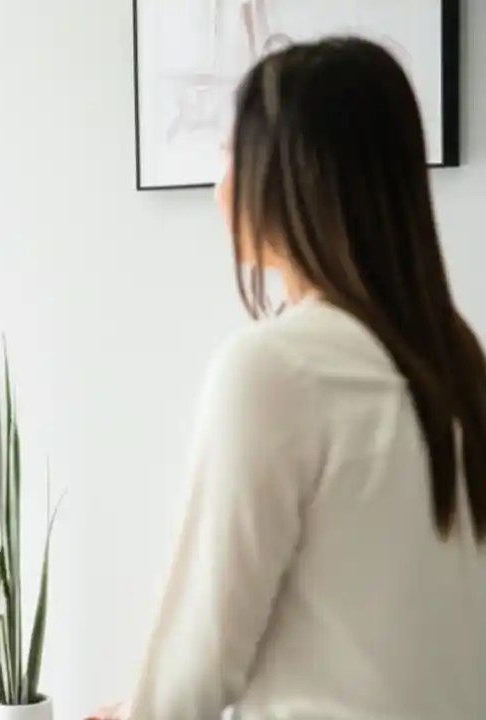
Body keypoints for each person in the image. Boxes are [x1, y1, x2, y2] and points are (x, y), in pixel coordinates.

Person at [88, 37, 486, 719]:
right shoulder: (457, 359)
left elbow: (196, 669)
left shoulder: (275, 370)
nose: (219, 184)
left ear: (284, 177)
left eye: (228, 155)